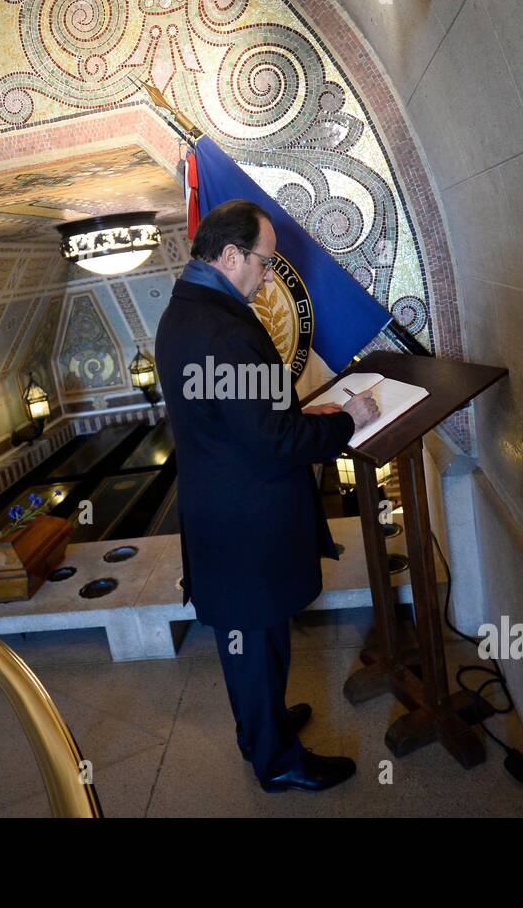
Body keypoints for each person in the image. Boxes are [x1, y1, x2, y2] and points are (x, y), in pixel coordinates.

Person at [155, 198, 380, 792]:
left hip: (223, 507)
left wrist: (307, 411)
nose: (268, 274)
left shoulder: (187, 308)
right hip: (244, 520)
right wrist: (345, 421)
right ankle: (276, 760)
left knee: (254, 639)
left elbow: (245, 418)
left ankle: (263, 727)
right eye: (264, 261)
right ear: (230, 256)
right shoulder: (222, 327)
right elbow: (272, 440)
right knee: (254, 642)